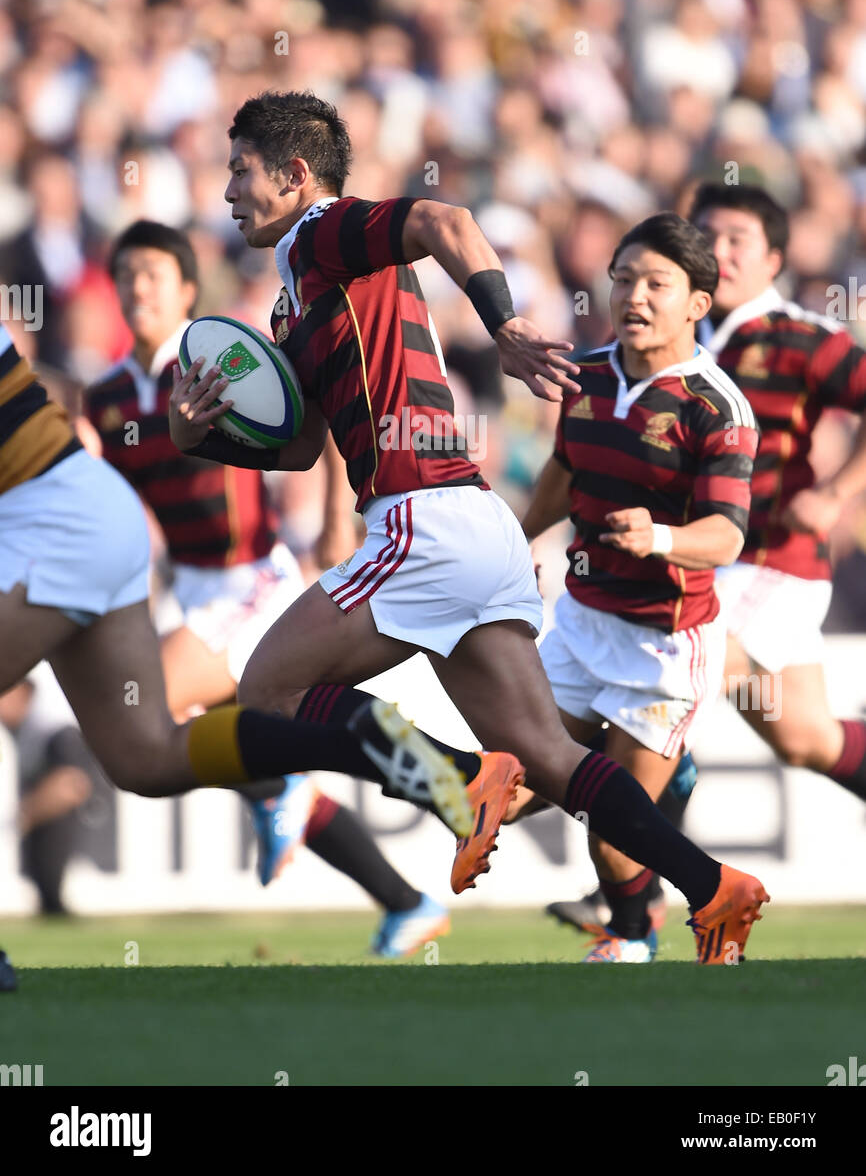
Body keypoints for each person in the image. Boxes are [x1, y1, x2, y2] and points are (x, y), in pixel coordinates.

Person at [168, 91, 770, 962]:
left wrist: (507, 324)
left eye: (239, 170)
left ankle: (456, 782)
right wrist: (200, 432)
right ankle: (717, 887)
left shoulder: (322, 230)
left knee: (265, 689)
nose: (227, 192)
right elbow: (300, 447)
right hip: (475, 524)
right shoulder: (297, 300)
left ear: (294, 175)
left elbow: (444, 218)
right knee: (548, 759)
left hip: (420, 524)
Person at [84, 218, 448, 956]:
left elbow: (309, 422)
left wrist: (336, 527)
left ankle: (316, 786)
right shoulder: (107, 398)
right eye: (126, 275)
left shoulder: (222, 358)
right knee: (228, 745)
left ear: (186, 286)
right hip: (185, 588)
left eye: (153, 272)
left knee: (147, 715)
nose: (137, 287)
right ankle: (406, 901)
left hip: (251, 579)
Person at [503, 212, 762, 961]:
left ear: (697, 304)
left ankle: (631, 936)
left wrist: (662, 538)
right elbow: (564, 470)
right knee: (506, 789)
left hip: (663, 645)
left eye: (656, 283)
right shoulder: (584, 374)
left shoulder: (714, 406)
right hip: (581, 623)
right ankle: (662, 815)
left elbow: (727, 533)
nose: (633, 296)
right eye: (622, 279)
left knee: (612, 837)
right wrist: (515, 542)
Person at [689, 182, 866, 806]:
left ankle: (633, 899)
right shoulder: (669, 336)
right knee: (805, 738)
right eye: (707, 237)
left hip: (767, 559)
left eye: (738, 239)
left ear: (773, 261)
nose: (720, 251)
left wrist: (838, 491)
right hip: (692, 561)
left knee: (676, 678)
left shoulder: (802, 337)